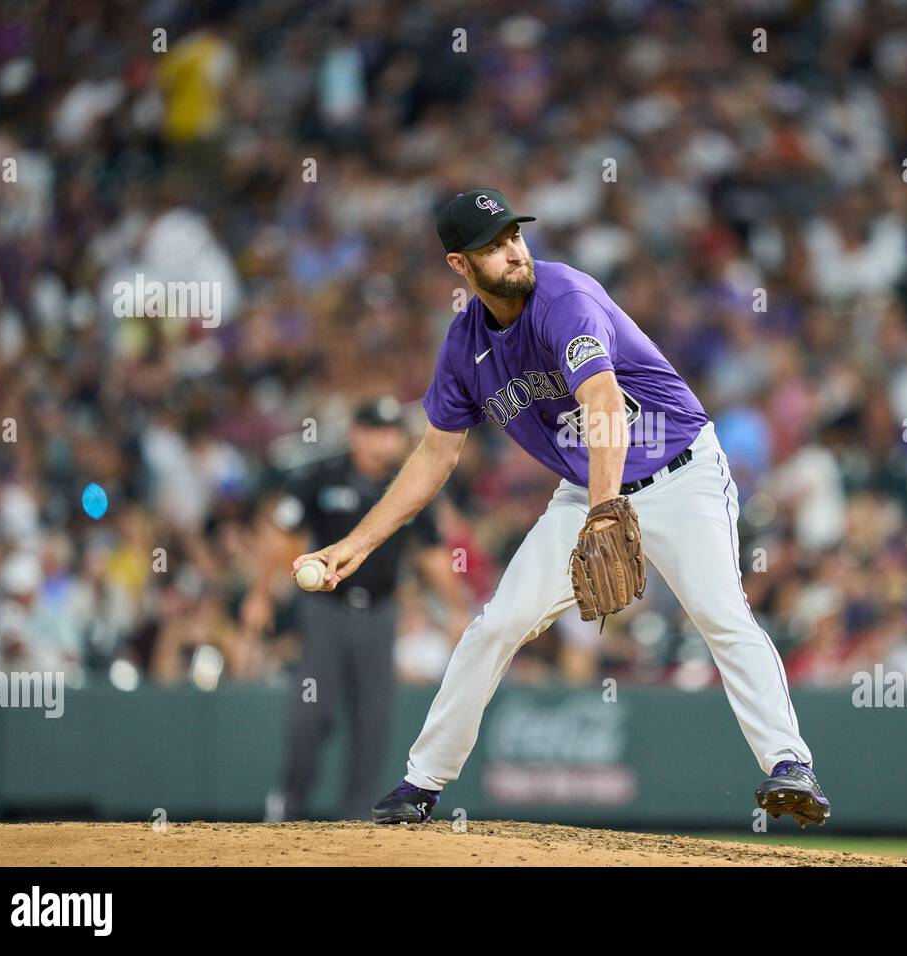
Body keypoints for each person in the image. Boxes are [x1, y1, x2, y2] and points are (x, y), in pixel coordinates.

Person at [292, 188, 827, 827]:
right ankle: (421, 784)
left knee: (720, 614)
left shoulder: (563, 296)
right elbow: (434, 456)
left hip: (679, 471)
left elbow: (602, 403)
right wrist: (358, 542)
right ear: (460, 266)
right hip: (587, 491)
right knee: (496, 624)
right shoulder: (464, 348)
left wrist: (604, 512)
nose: (514, 251)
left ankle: (788, 764)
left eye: (514, 236)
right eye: (494, 246)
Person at [244, 397, 466, 821]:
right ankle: (287, 807)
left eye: (392, 433)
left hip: (381, 615)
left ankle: (357, 824)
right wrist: (259, 593)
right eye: (376, 432)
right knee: (310, 716)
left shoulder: (409, 489)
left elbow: (433, 554)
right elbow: (280, 533)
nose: (386, 442)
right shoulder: (321, 477)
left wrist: (457, 608)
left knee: (372, 723)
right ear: (356, 434)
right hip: (326, 612)